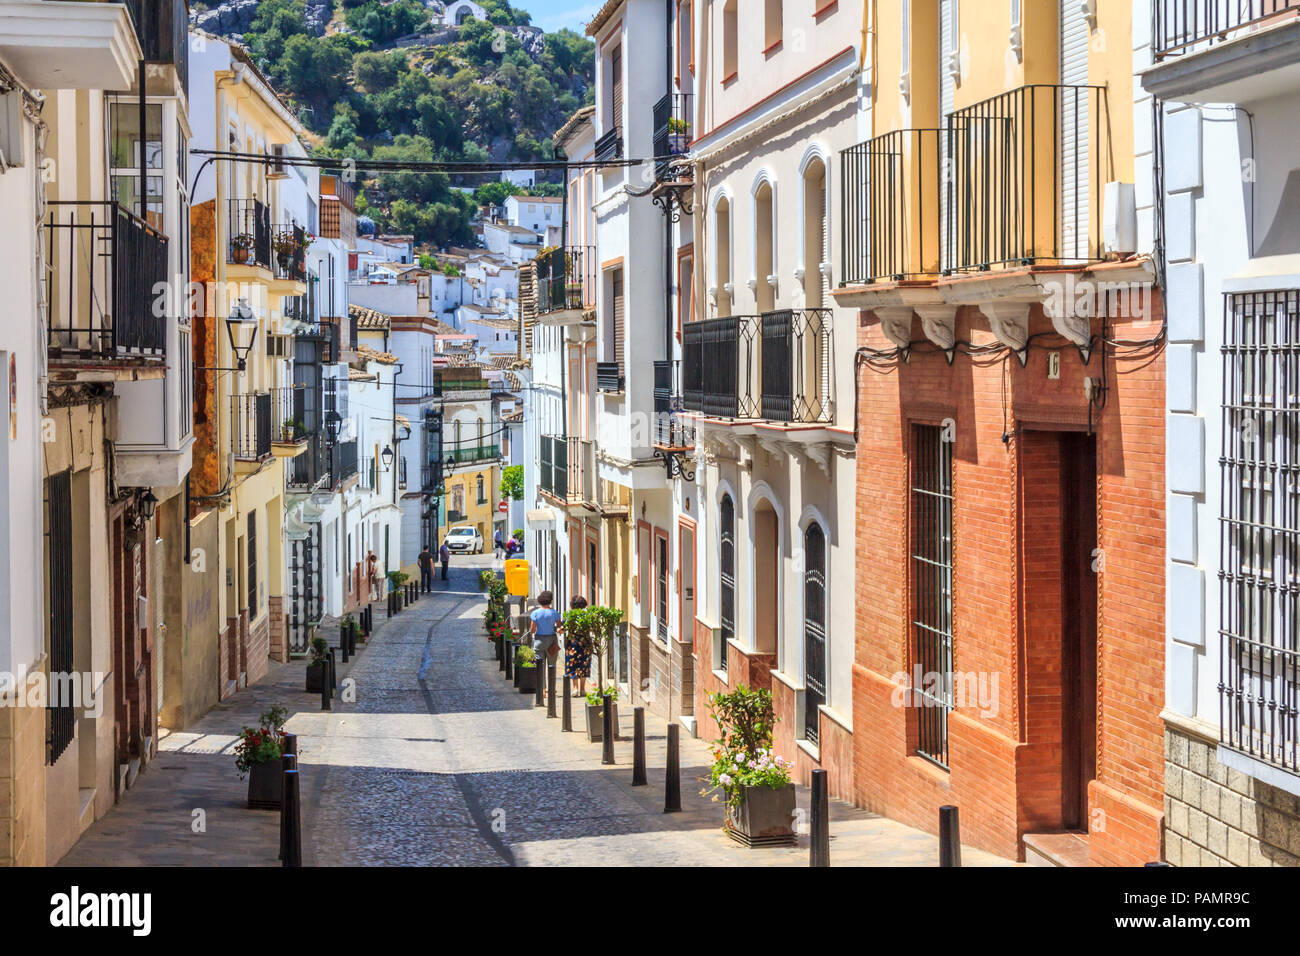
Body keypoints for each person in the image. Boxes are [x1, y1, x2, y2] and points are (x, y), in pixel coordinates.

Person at [529, 590, 562, 700]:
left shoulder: (535, 613)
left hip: (539, 641)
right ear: (550, 601)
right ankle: (551, 689)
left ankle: (542, 689)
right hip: (552, 641)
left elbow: (532, 630)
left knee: (540, 666)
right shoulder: (555, 613)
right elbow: (559, 628)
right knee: (552, 665)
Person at [564, 595, 592, 698]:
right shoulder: (587, 616)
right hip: (585, 644)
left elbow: (562, 628)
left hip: (573, 645)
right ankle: (582, 689)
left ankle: (575, 688)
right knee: (584, 665)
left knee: (572, 665)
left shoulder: (569, 616)